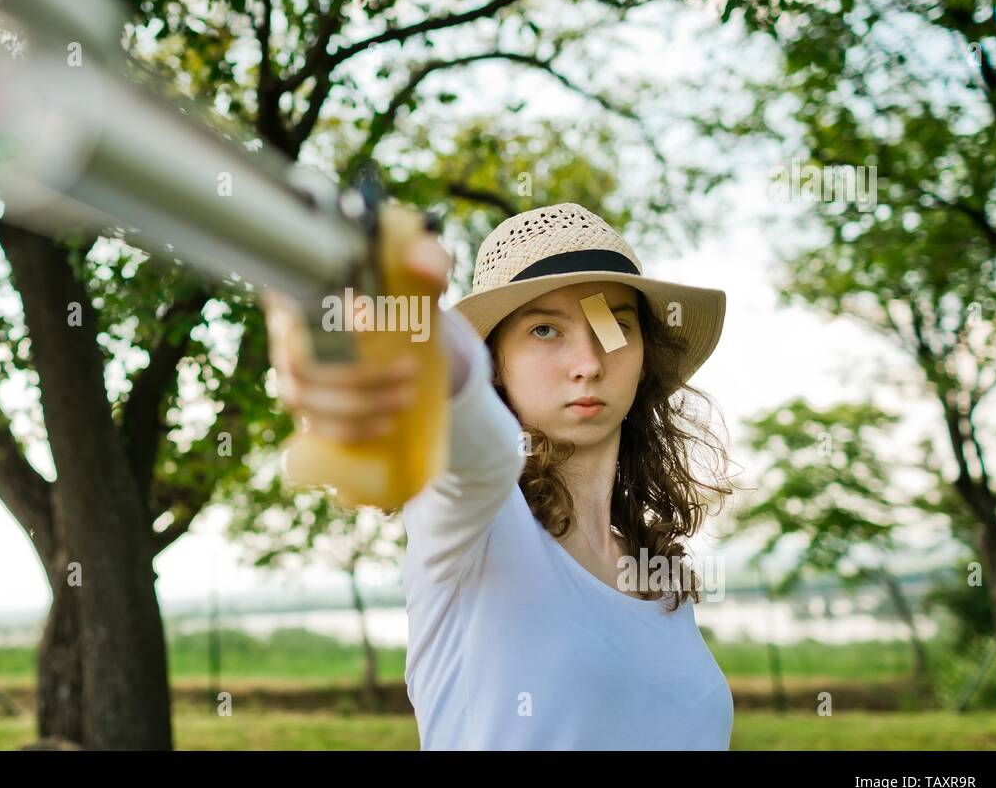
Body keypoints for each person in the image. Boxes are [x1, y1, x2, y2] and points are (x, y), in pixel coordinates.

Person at [262, 202, 735, 749]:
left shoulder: (657, 575)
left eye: (613, 326)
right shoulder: (477, 520)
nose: (588, 362)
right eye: (544, 330)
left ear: (644, 354)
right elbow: (471, 440)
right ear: (494, 365)